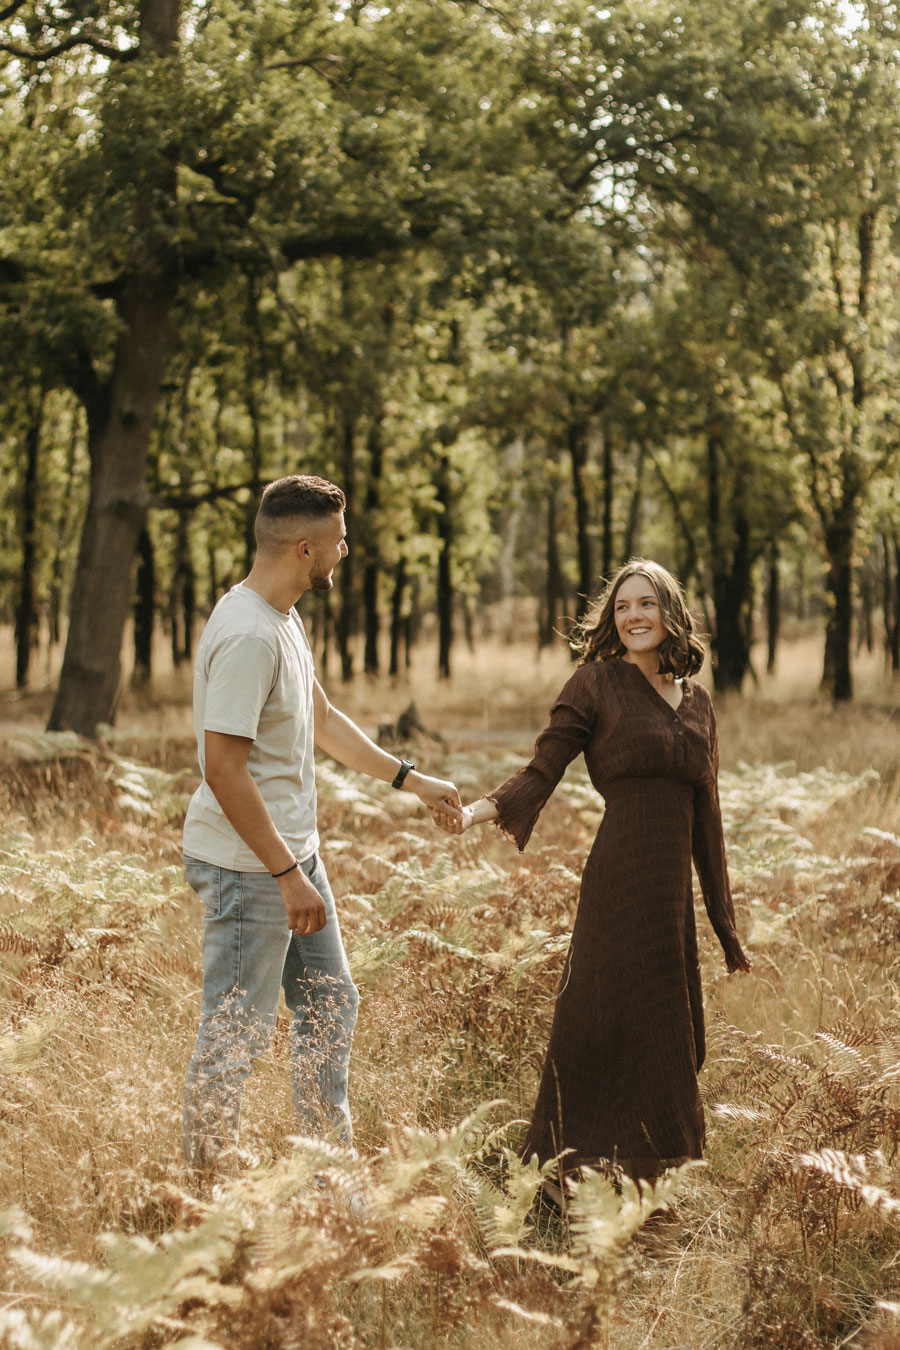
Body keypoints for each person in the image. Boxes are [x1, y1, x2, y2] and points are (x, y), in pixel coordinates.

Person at [433, 559, 751, 1193]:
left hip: (670, 901)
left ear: (670, 613)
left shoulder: (699, 703)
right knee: (596, 1020)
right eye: (623, 606)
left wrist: (726, 928)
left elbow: (706, 821)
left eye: (647, 604)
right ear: (612, 618)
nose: (634, 615)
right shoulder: (594, 684)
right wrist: (473, 812)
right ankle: (562, 1175)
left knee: (666, 1030)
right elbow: (542, 768)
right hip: (618, 883)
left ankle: (650, 1180)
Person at [182, 473, 461, 1170]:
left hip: (291, 860)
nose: (348, 549)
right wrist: (285, 875)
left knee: (331, 1002)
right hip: (251, 869)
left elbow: (324, 721)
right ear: (305, 549)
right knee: (235, 1034)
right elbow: (224, 769)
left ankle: (326, 1175)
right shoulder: (248, 635)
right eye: (340, 539)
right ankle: (201, 1195)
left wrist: (412, 780)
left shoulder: (283, 616)